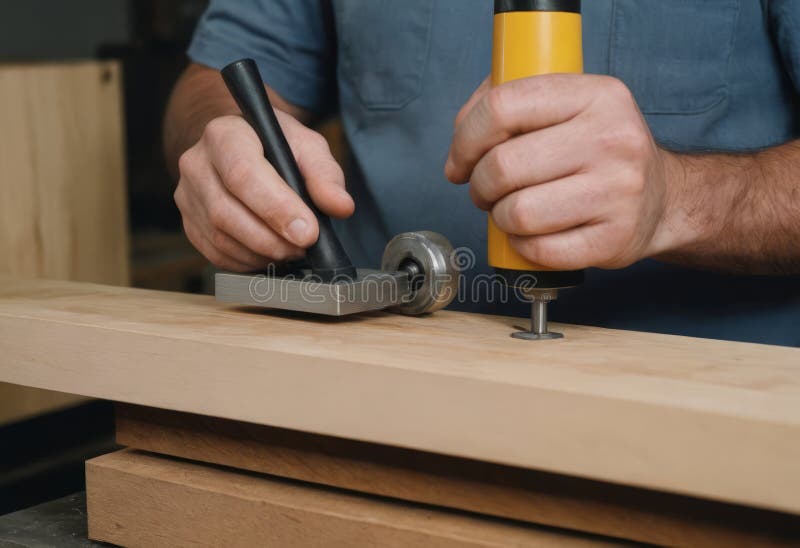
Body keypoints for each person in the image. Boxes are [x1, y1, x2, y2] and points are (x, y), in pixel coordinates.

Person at [164, 1, 800, 346]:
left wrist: (679, 200)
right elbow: (213, 83)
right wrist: (226, 147)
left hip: (711, 413)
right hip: (386, 391)